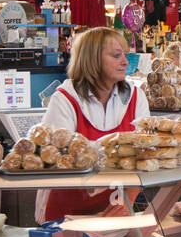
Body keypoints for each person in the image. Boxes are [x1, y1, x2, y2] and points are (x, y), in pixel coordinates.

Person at [36, 28, 150, 223]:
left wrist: (127, 201)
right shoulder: (65, 100)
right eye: (116, 55)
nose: (125, 62)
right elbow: (57, 160)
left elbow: (146, 155)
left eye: (124, 54)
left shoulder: (135, 97)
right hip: (65, 213)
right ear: (92, 60)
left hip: (116, 208)